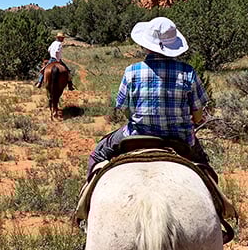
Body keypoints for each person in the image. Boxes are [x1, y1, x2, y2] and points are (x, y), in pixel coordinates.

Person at [87, 17, 208, 179]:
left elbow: (124, 108)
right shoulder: (188, 72)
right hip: (180, 139)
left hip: (137, 134)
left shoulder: (131, 71)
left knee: (98, 155)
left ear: (145, 45)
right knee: (206, 168)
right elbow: (198, 114)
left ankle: (84, 202)